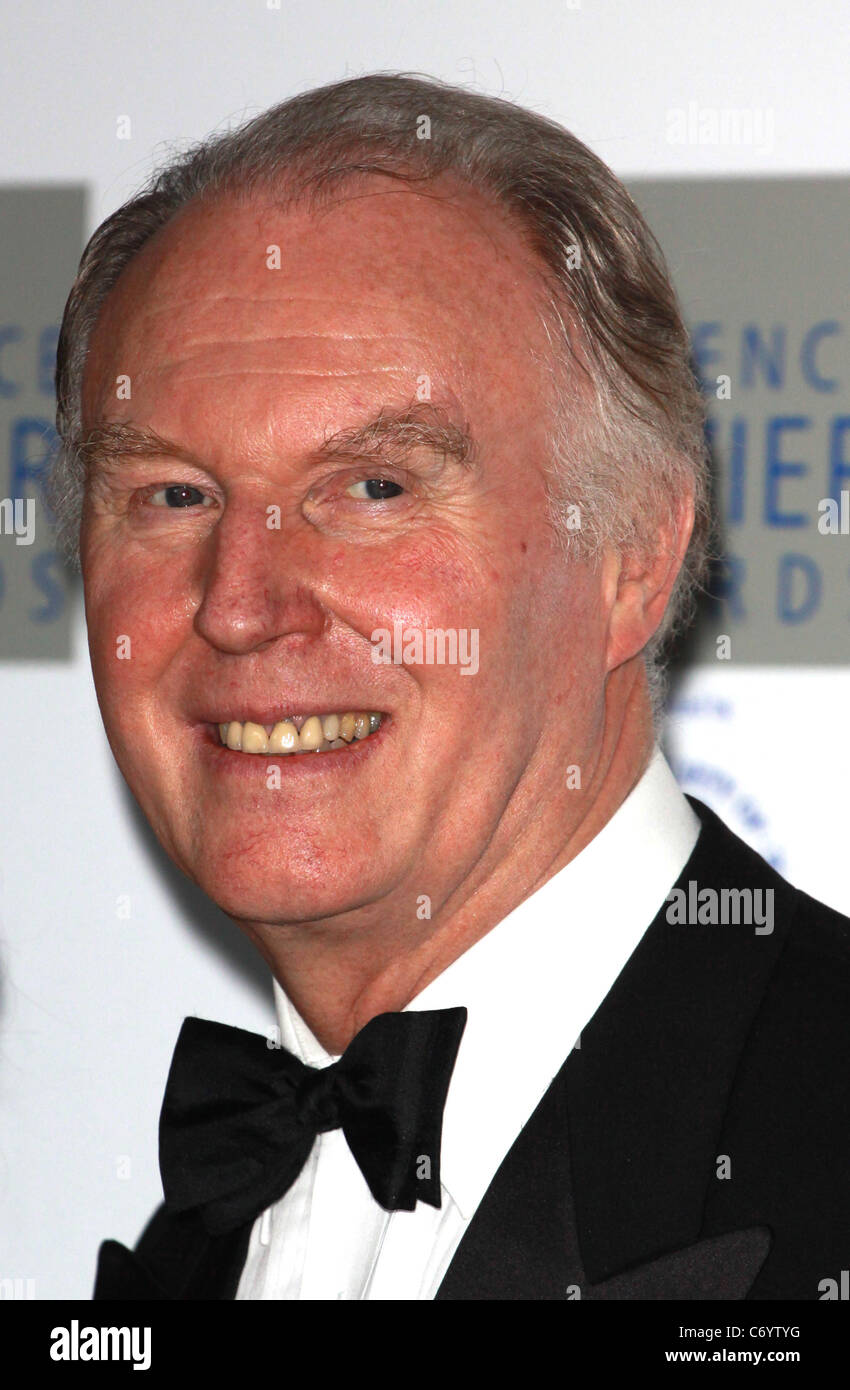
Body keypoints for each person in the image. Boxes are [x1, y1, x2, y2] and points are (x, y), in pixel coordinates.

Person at [51, 72, 849, 1301]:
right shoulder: (194, 1237)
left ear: (634, 555)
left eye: (374, 488)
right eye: (173, 494)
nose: (239, 604)